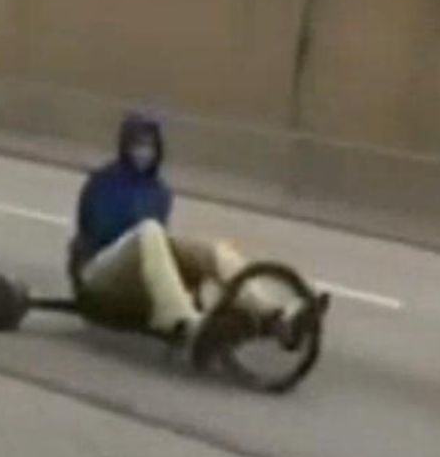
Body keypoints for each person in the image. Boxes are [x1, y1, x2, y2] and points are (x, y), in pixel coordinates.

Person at [68, 111, 288, 350]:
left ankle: (273, 314)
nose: (144, 153)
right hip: (99, 272)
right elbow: (100, 230)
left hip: (139, 272)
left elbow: (155, 251)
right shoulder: (103, 182)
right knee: (150, 230)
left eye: (150, 147)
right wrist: (143, 231)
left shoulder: (160, 192)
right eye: (137, 146)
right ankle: (180, 320)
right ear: (125, 147)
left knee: (210, 249)